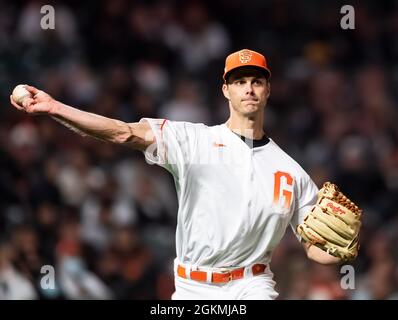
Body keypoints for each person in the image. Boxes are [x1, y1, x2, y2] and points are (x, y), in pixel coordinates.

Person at [10, 49, 341, 300]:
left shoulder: (290, 172)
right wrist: (55, 107)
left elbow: (316, 249)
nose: (249, 89)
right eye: (240, 82)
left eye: (256, 81)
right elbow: (123, 132)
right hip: (192, 288)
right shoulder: (192, 140)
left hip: (251, 286)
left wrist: (343, 249)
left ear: (268, 89)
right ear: (226, 90)